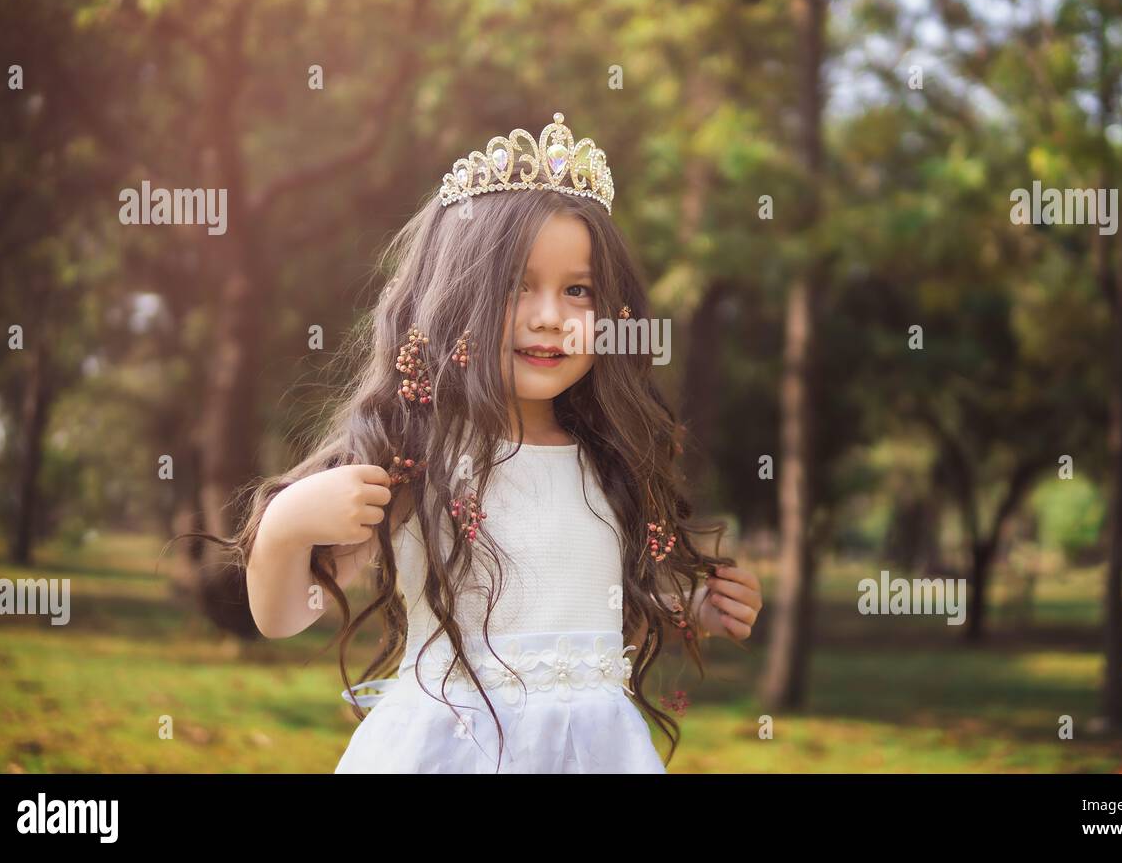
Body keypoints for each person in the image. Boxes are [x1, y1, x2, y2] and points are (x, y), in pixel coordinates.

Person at [239, 112, 762, 772]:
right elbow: (284, 617)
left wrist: (692, 605)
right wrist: (288, 525)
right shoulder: (418, 457)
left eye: (579, 291)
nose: (550, 316)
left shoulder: (610, 458)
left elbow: (584, 585)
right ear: (455, 300)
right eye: (518, 286)